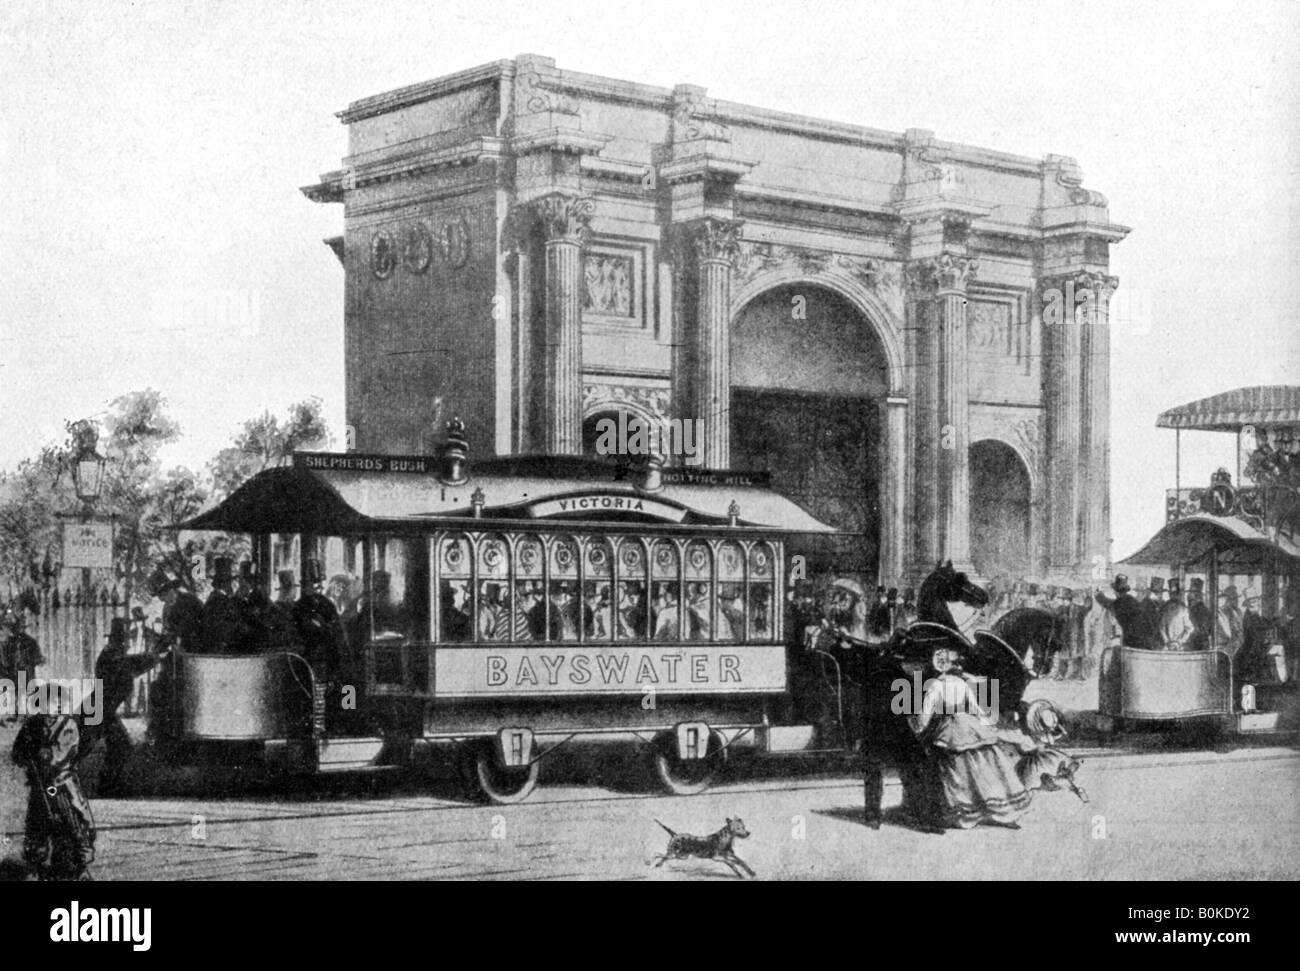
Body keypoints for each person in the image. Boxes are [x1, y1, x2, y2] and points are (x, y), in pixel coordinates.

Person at [809, 579, 945, 835]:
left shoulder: (864, 636)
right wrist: (887, 656)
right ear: (847, 606)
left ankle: (923, 816)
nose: (864, 606)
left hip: (892, 706)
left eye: (863, 602)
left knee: (916, 759)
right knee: (878, 763)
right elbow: (858, 673)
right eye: (858, 602)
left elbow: (886, 665)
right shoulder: (841, 643)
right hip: (871, 710)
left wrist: (896, 656)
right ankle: (874, 815)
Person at [911, 646, 1034, 829]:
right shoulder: (961, 683)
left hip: (951, 730)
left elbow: (924, 715)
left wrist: (918, 729)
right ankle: (999, 810)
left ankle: (966, 815)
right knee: (984, 769)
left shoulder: (936, 685)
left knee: (957, 773)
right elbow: (976, 709)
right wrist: (987, 727)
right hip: (970, 725)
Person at [87, 617, 168, 795]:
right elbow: (131, 665)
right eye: (127, 638)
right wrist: (153, 657)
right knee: (118, 746)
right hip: (100, 709)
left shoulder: (113, 652)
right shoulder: (113, 654)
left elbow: (132, 664)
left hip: (102, 708)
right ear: (121, 639)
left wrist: (153, 656)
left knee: (117, 746)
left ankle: (108, 786)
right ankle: (106, 787)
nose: (130, 642)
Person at [12, 711, 95, 880]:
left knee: (75, 823)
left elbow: (62, 756)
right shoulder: (32, 725)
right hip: (40, 786)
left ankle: (79, 867)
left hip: (61, 785)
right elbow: (17, 753)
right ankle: (37, 866)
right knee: (36, 830)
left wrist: (43, 756)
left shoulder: (68, 725)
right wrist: (26, 757)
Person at [293, 558, 348, 684]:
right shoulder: (299, 607)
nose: (314, 587)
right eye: (311, 584)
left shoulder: (325, 605)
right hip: (310, 660)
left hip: (323, 660)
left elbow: (336, 633)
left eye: (315, 584)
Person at [1095, 574, 1151, 649]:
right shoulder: (1131, 599)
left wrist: (1098, 595)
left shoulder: (1119, 602)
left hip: (1133, 638)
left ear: (1116, 591)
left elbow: (1108, 603)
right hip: (1142, 637)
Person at [199, 557, 243, 653]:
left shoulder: (214, 598)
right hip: (220, 649)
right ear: (225, 584)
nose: (231, 586)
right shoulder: (219, 600)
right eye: (229, 582)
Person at [1161, 578, 1195, 650]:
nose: (1173, 596)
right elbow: (1162, 627)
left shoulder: (1183, 609)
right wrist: (1167, 641)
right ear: (1169, 594)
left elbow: (1190, 628)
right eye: (1172, 594)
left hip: (1179, 646)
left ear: (1178, 594)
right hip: (1167, 646)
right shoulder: (1165, 608)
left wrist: (1180, 641)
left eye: (1175, 594)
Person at [1217, 585, 1245, 654]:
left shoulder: (1239, 612)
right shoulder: (1223, 612)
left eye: (1236, 598)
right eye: (1233, 599)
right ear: (1227, 599)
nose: (1236, 601)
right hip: (1229, 647)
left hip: (1240, 645)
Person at [1186, 578, 1212, 651]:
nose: (1188, 596)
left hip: (1196, 645)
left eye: (1191, 593)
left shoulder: (1196, 610)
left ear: (1197, 596)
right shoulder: (1206, 610)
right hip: (1202, 644)